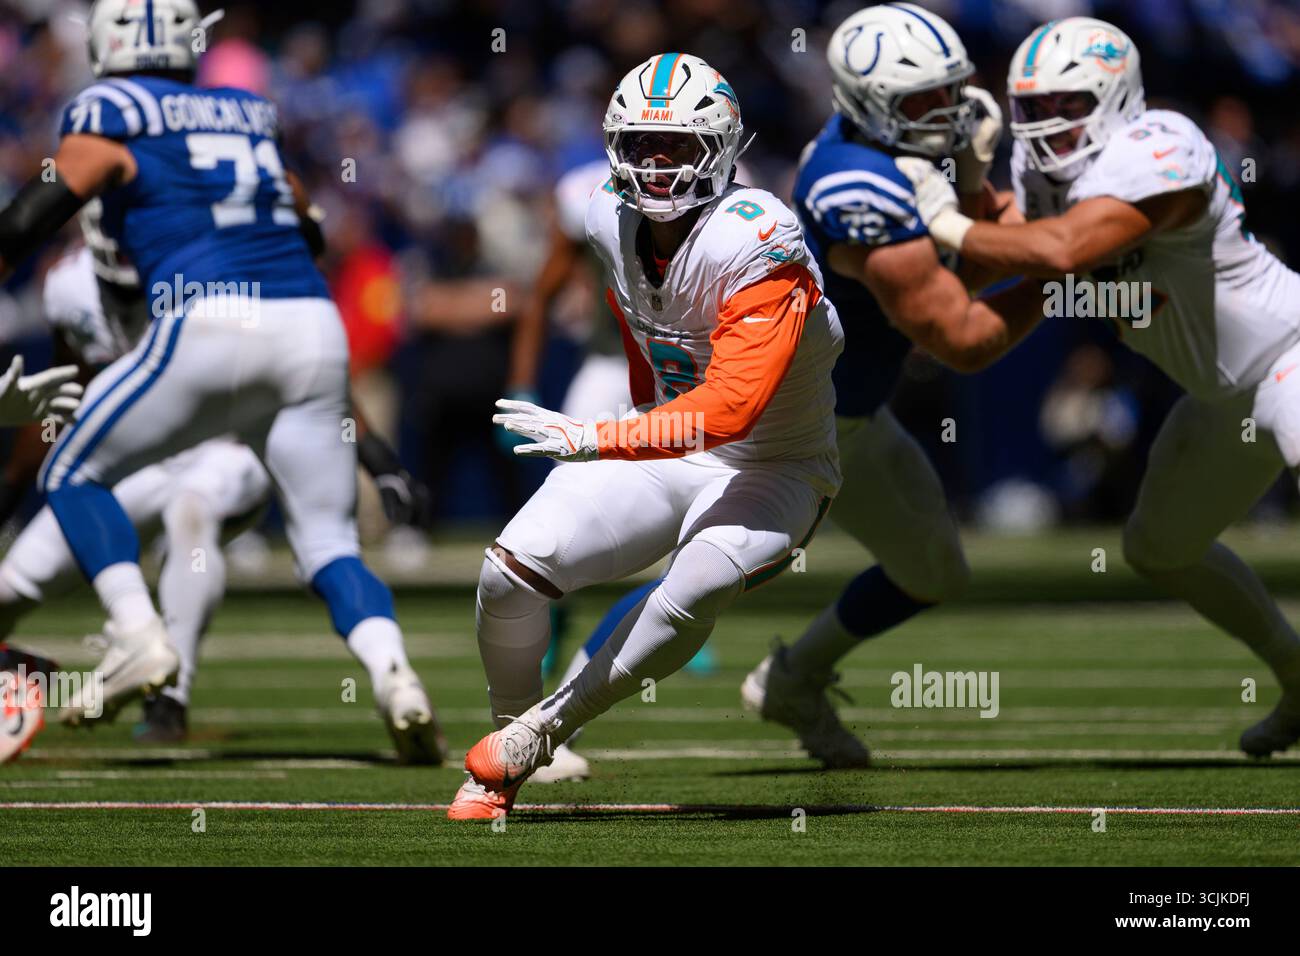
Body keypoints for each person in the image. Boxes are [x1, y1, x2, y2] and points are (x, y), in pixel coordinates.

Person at [557, 3, 1050, 771]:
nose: (947, 115)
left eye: (950, 94)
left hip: (856, 413)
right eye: (925, 102)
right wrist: (1059, 269)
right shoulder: (854, 182)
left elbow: (956, 269)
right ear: (875, 104)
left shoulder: (885, 150)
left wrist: (984, 197)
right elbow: (958, 337)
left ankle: (793, 678)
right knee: (702, 582)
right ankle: (555, 718)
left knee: (935, 571)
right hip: (781, 425)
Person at [0, 0, 442, 762]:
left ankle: (141, 639)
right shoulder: (242, 110)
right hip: (308, 320)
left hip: (209, 321)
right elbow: (304, 224)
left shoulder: (113, 111)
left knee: (71, 469)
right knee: (330, 541)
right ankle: (396, 676)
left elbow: (31, 218)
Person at [902, 16, 1300, 756]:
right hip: (1219, 397)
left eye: (1068, 105)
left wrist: (944, 220)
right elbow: (999, 257)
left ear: (1117, 98)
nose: (1047, 125)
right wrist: (964, 189)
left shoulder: (1161, 146)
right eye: (1034, 107)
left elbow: (1062, 247)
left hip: (1291, 353)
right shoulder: (1044, 172)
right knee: (1161, 548)